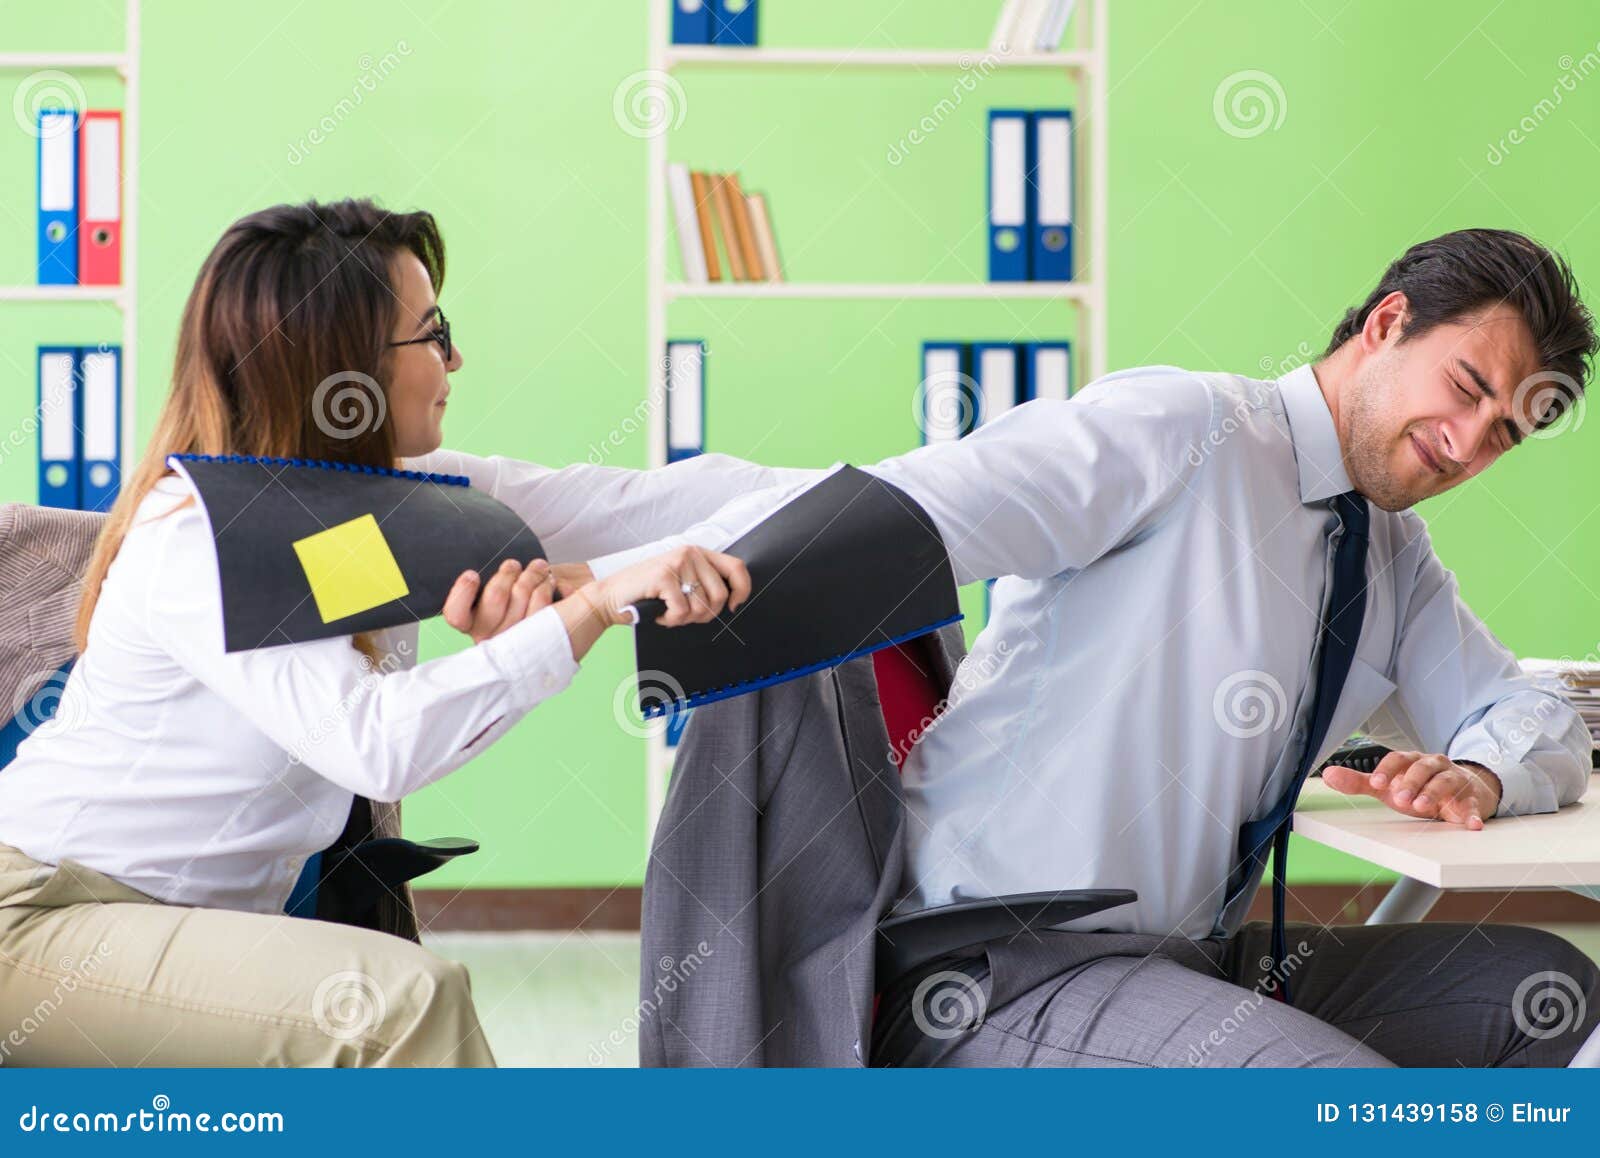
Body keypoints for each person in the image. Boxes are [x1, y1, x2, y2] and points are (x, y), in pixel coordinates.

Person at [592, 228, 1600, 1066]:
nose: (1468, 442)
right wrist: (603, 565)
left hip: (1190, 963)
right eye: (1465, 387)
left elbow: (1534, 713)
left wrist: (1478, 771)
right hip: (1000, 972)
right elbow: (907, 505)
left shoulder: (1390, 552)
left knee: (1551, 992)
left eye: (1505, 432)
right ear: (1386, 326)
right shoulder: (1184, 431)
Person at [0, 198, 810, 1067]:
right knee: (400, 1004)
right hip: (47, 916)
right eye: (432, 334)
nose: (456, 357)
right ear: (338, 369)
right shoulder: (199, 538)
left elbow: (614, 506)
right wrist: (589, 609)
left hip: (174, 921)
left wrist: (863, 494)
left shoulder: (391, 497)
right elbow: (370, 742)